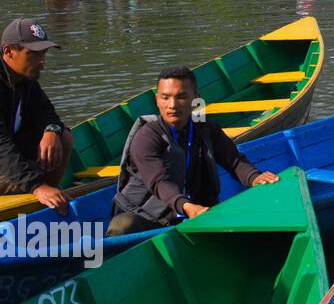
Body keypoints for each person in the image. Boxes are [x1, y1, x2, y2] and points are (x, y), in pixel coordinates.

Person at [107, 66, 279, 237]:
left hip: (195, 211)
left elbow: (233, 161)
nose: (172, 105)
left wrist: (255, 177)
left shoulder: (206, 129)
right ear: (157, 99)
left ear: (196, 99)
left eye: (181, 97)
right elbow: (159, 182)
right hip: (148, 216)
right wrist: (187, 206)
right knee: (122, 226)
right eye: (165, 98)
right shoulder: (146, 137)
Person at [0, 19, 72, 213]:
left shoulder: (25, 78)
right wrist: (36, 186)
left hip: (9, 153)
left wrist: (51, 130)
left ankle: (49, 200)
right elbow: (2, 146)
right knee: (35, 173)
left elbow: (47, 112)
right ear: (8, 51)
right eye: (33, 54)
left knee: (63, 136)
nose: (42, 61)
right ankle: (43, 196)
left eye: (43, 53)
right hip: (3, 154)